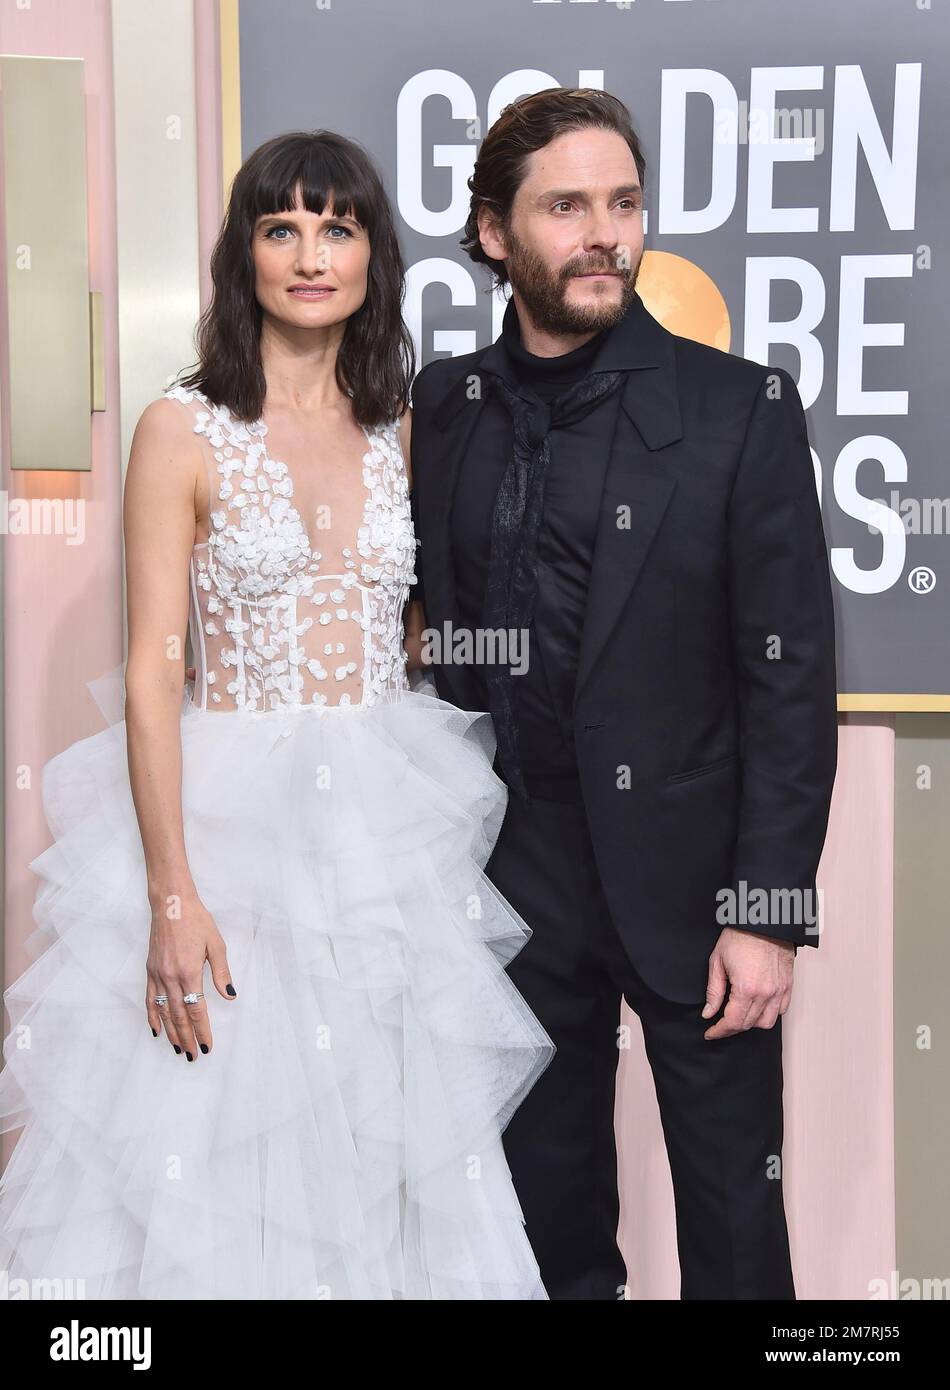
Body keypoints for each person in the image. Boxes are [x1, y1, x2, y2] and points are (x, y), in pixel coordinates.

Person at [0, 131, 555, 1300]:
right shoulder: (182, 429)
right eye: (281, 227)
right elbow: (153, 672)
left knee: (390, 1146)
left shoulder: (403, 425)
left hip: (378, 832)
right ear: (242, 254)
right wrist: (170, 892)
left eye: (338, 227)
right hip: (228, 835)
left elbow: (407, 624)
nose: (311, 253)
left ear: (372, 257)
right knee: (209, 1147)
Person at [409, 89, 838, 1300]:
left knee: (732, 1229)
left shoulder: (734, 409)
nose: (603, 233)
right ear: (494, 232)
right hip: (509, 877)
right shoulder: (445, 407)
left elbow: (791, 682)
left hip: (699, 888)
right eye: (564, 207)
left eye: (621, 203)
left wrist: (767, 911)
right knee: (545, 1219)